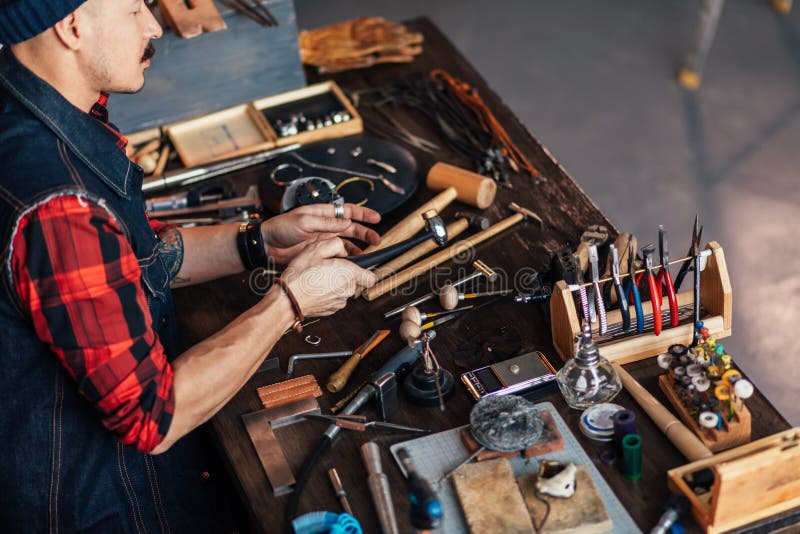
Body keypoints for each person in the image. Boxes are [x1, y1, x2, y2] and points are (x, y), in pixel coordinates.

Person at [0, 0, 379, 530]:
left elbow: (131, 259)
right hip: (101, 505)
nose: (156, 26)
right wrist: (292, 300)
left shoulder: (31, 109)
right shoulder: (59, 210)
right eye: (135, 9)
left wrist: (260, 241)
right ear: (72, 26)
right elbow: (154, 416)